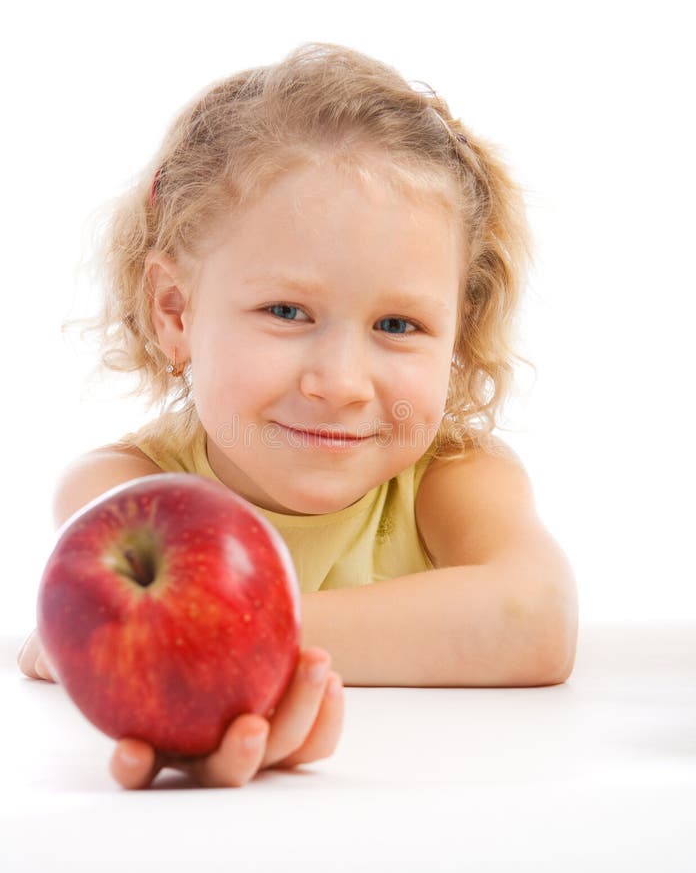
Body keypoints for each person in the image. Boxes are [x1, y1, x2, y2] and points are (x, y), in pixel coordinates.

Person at [18, 42, 578, 789]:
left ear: (458, 333)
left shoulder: (452, 476)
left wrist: (239, 654)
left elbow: (535, 620)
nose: (340, 383)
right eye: (287, 311)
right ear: (175, 311)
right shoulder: (128, 488)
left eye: (399, 326)